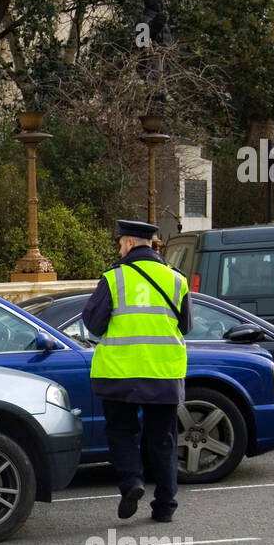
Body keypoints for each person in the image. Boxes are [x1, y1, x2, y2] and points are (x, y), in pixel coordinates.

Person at [81, 219, 192, 522]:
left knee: (121, 431)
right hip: (164, 372)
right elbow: (186, 326)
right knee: (163, 438)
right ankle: (165, 506)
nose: (119, 249)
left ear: (129, 243)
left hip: (120, 372)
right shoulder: (176, 280)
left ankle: (132, 482)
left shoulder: (114, 278)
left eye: (120, 243)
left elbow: (93, 323)